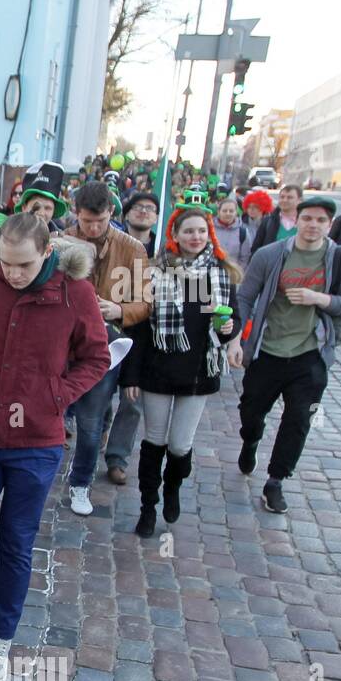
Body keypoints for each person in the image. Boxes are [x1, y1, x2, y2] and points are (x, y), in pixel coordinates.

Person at [0, 213, 108, 681]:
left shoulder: (72, 292)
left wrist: (56, 397)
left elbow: (96, 356)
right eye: (5, 264)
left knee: (18, 541)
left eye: (23, 265)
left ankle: (0, 638)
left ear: (46, 254)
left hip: (37, 441)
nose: (13, 274)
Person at [230, 196, 341, 514]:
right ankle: (251, 440)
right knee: (250, 412)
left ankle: (275, 481)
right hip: (267, 350)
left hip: (310, 353)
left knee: (299, 418)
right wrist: (234, 338)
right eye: (307, 219)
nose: (313, 225)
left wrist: (319, 298)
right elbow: (245, 296)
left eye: (320, 220)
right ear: (296, 220)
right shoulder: (271, 255)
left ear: (330, 225)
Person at [121, 201, 242, 538]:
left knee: (179, 446)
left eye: (202, 231)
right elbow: (141, 327)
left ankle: (172, 487)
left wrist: (229, 330)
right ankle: (148, 506)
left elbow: (229, 321)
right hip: (158, 369)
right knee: (154, 441)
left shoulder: (218, 274)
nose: (195, 236)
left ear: (210, 235)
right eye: (189, 230)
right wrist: (131, 375)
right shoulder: (156, 272)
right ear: (175, 234)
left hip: (198, 373)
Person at [62, 181, 151, 511]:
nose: (94, 228)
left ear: (112, 212)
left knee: (90, 422)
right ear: (77, 214)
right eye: (87, 221)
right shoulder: (63, 239)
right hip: (61, 342)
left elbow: (145, 301)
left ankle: (81, 482)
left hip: (105, 347)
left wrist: (120, 310)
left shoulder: (132, 249)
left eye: (100, 220)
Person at [15, 161, 68, 234]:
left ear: (54, 211)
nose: (41, 213)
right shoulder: (8, 236)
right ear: (24, 208)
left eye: (48, 208)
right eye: (36, 207)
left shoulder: (61, 241)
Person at [251, 184, 302, 250]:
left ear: (299, 201)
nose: (285, 200)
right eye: (282, 197)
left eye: (289, 197)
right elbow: (256, 248)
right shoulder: (268, 221)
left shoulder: (305, 222)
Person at [213, 196, 251, 269]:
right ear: (218, 212)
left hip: (233, 274)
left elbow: (245, 258)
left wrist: (237, 273)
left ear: (236, 212)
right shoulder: (209, 229)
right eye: (224, 211)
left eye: (231, 211)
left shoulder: (243, 232)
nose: (228, 213)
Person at [122, 192, 159, 257]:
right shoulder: (112, 243)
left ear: (156, 218)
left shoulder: (161, 249)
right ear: (127, 215)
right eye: (137, 207)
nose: (143, 211)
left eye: (149, 208)